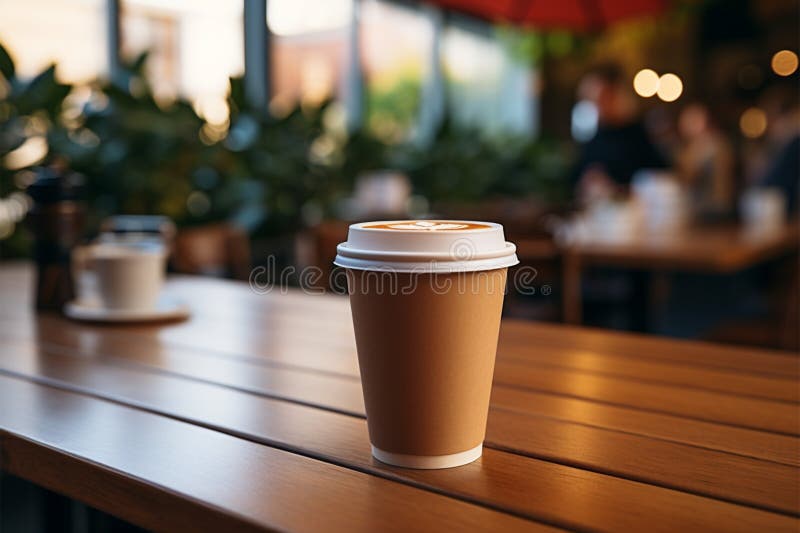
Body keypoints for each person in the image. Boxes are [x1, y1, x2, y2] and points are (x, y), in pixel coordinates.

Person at [570, 63, 667, 204]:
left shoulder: (636, 134)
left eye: (604, 98)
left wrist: (617, 189)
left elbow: (658, 177)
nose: (598, 105)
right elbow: (577, 179)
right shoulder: (594, 137)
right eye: (592, 99)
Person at [676, 103, 736, 219]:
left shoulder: (710, 145)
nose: (683, 126)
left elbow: (688, 177)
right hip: (712, 207)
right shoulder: (713, 143)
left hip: (712, 209)